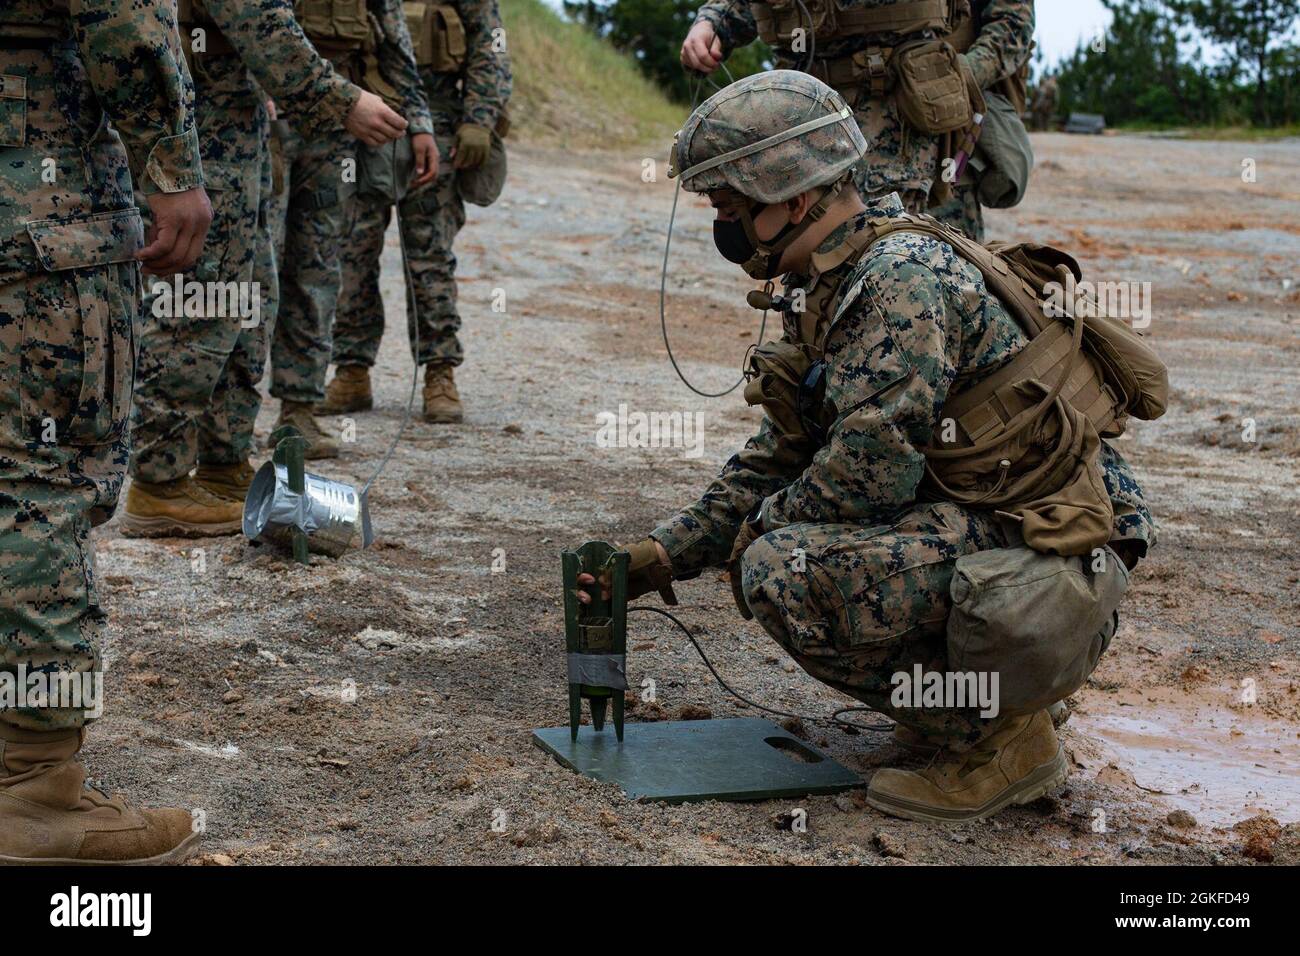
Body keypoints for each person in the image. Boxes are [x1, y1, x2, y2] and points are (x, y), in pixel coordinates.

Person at [585, 71, 1156, 822]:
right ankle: (974, 707)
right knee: (782, 536)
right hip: (1011, 514)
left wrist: (750, 536)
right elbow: (781, 456)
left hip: (1053, 544)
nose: (722, 229)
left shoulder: (895, 283)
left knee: (780, 570)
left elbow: (865, 481)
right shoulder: (845, 265)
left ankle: (1002, 733)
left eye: (731, 207)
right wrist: (665, 553)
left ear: (791, 197)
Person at [1, 0, 213, 862]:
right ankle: (31, 788)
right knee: (40, 482)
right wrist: (171, 158)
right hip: (37, 216)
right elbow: (120, 11)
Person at [121, 0, 418, 537]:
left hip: (241, 126)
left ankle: (222, 462)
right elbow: (255, 17)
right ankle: (157, 482)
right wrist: (339, 98)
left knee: (252, 297)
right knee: (204, 299)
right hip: (201, 129)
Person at [680, 0, 1035, 241]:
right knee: (804, 246)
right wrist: (712, 25)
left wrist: (963, 78)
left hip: (912, 118)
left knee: (921, 259)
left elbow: (1012, 21)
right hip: (806, 115)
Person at [323, 0, 513, 424]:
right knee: (351, 250)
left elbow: (491, 45)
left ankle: (439, 372)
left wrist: (479, 119)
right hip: (361, 121)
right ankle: (352, 371)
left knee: (429, 257)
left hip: (441, 124)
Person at [266, 0, 437, 456]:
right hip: (260, 116)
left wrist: (419, 123)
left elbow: (394, 40)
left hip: (337, 122)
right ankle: (222, 425)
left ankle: (298, 410)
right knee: (253, 265)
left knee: (318, 263)